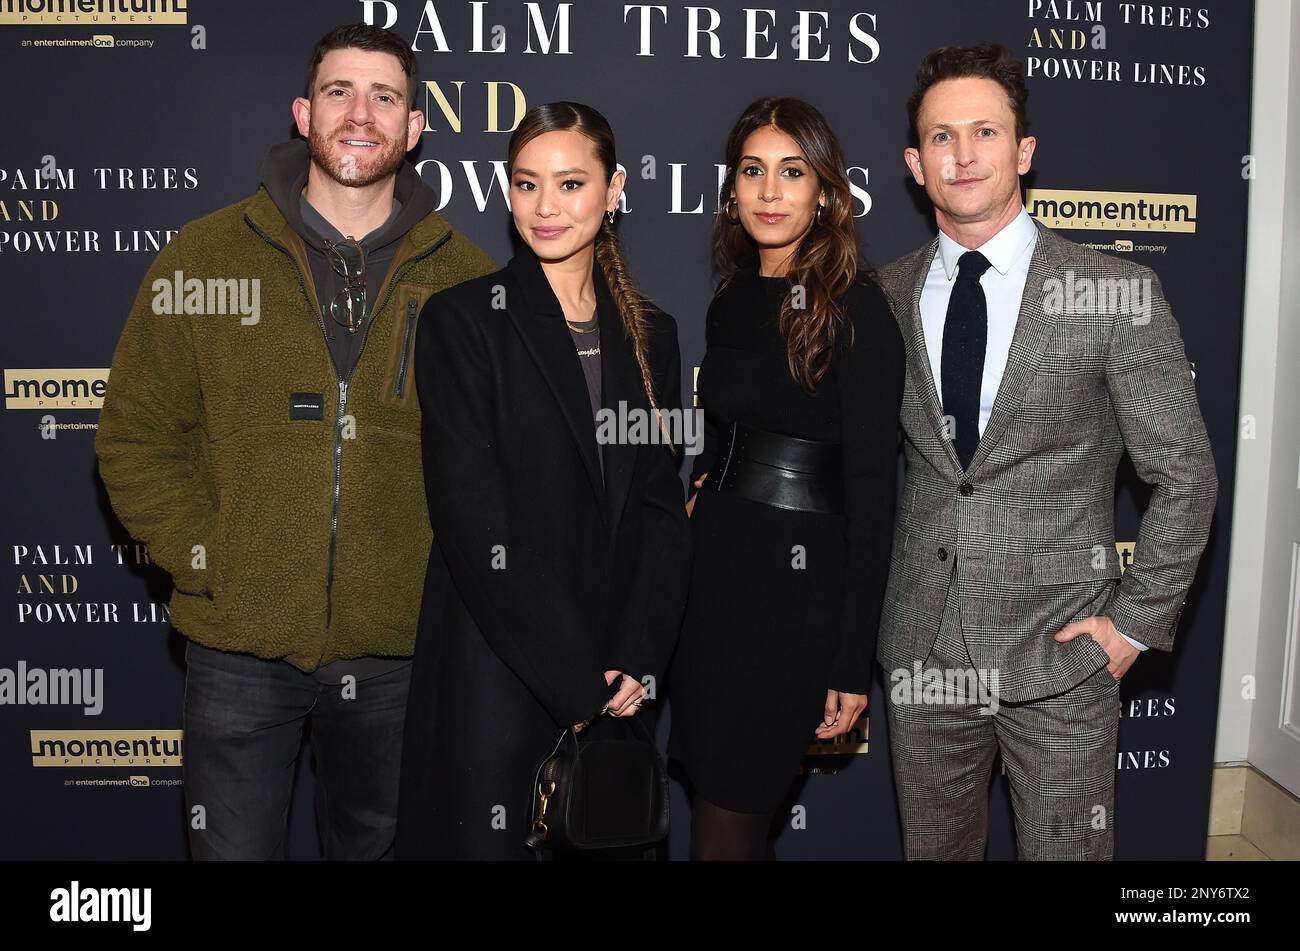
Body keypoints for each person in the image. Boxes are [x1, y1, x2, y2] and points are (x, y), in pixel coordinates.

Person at [95, 23, 495, 860]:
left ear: (415, 129)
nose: (361, 113)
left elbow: (498, 467)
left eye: (386, 96)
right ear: (302, 113)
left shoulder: (465, 278)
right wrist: (209, 556)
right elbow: (135, 435)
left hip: (400, 653)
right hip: (238, 643)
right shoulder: (202, 257)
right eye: (340, 91)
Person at [877, 43, 1218, 860]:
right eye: (942, 137)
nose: (964, 154)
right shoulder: (879, 296)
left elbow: (1186, 476)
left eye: (985, 132)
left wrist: (1132, 627)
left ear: (1023, 152)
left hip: (1061, 658)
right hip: (922, 657)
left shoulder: (1115, 291)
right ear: (914, 164)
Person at [396, 102, 692, 860]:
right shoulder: (464, 322)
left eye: (569, 183)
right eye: (527, 185)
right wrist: (576, 679)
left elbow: (662, 504)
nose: (546, 207)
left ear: (614, 188)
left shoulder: (651, 332)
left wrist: (637, 656)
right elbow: (474, 520)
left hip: (619, 685)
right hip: (498, 673)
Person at [668, 97, 906, 860]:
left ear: (826, 191)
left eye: (792, 172)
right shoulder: (733, 298)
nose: (770, 191)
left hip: (795, 592)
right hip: (714, 576)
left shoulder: (858, 310)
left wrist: (850, 659)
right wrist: (703, 487)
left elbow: (873, 492)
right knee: (714, 796)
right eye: (752, 170)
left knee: (728, 820)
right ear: (732, 189)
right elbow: (720, 433)